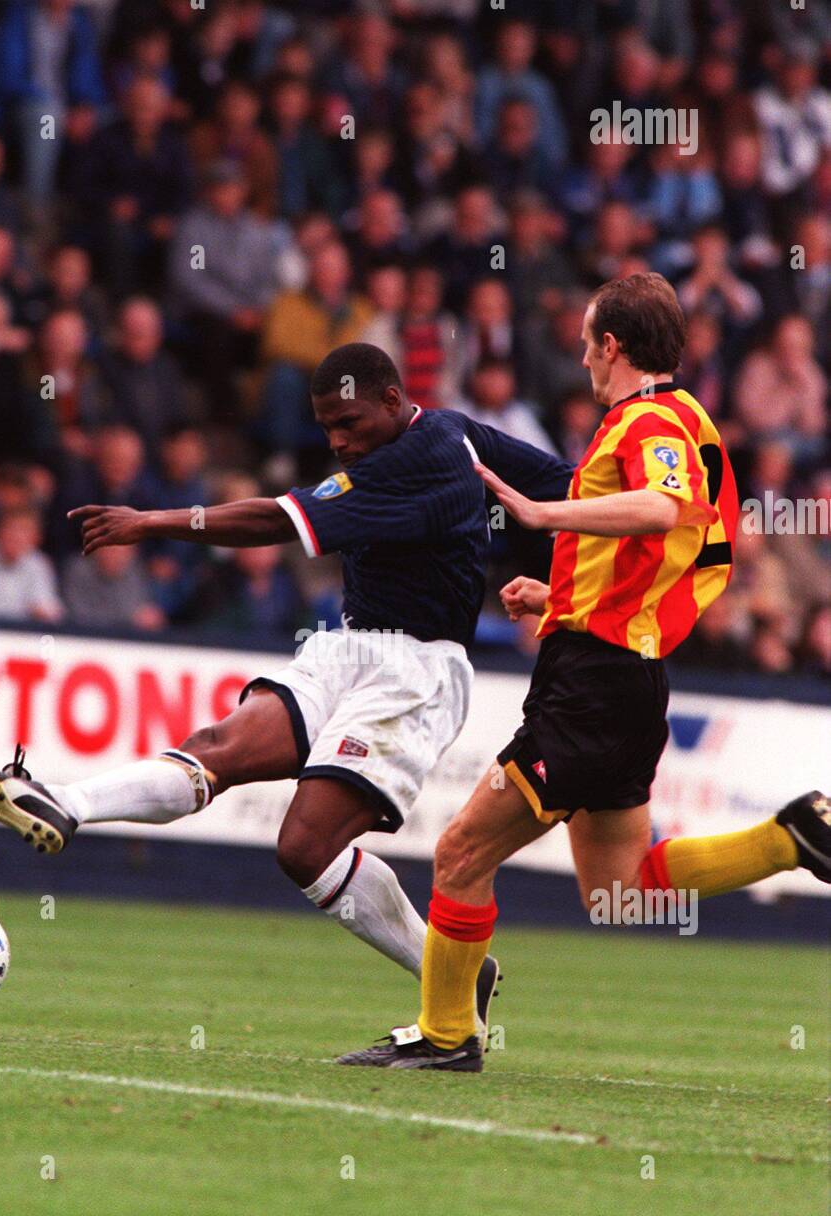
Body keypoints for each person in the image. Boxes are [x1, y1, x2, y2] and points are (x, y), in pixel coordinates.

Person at [0, 342, 573, 1041]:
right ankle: (64, 803)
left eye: (349, 423)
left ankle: (455, 975)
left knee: (304, 847)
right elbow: (570, 482)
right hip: (348, 646)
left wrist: (154, 522)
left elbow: (280, 520)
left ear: (393, 402)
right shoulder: (457, 435)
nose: (337, 441)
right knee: (215, 747)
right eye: (326, 426)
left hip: (417, 672)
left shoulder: (423, 455)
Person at [337, 273, 830, 1072]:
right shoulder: (683, 416)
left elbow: (663, 509)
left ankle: (446, 1033)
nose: (582, 357)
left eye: (587, 341)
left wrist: (541, 513)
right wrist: (561, 593)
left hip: (595, 685)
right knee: (620, 890)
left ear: (613, 346)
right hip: (620, 673)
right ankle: (790, 837)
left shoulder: (652, 417)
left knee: (462, 851)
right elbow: (655, 547)